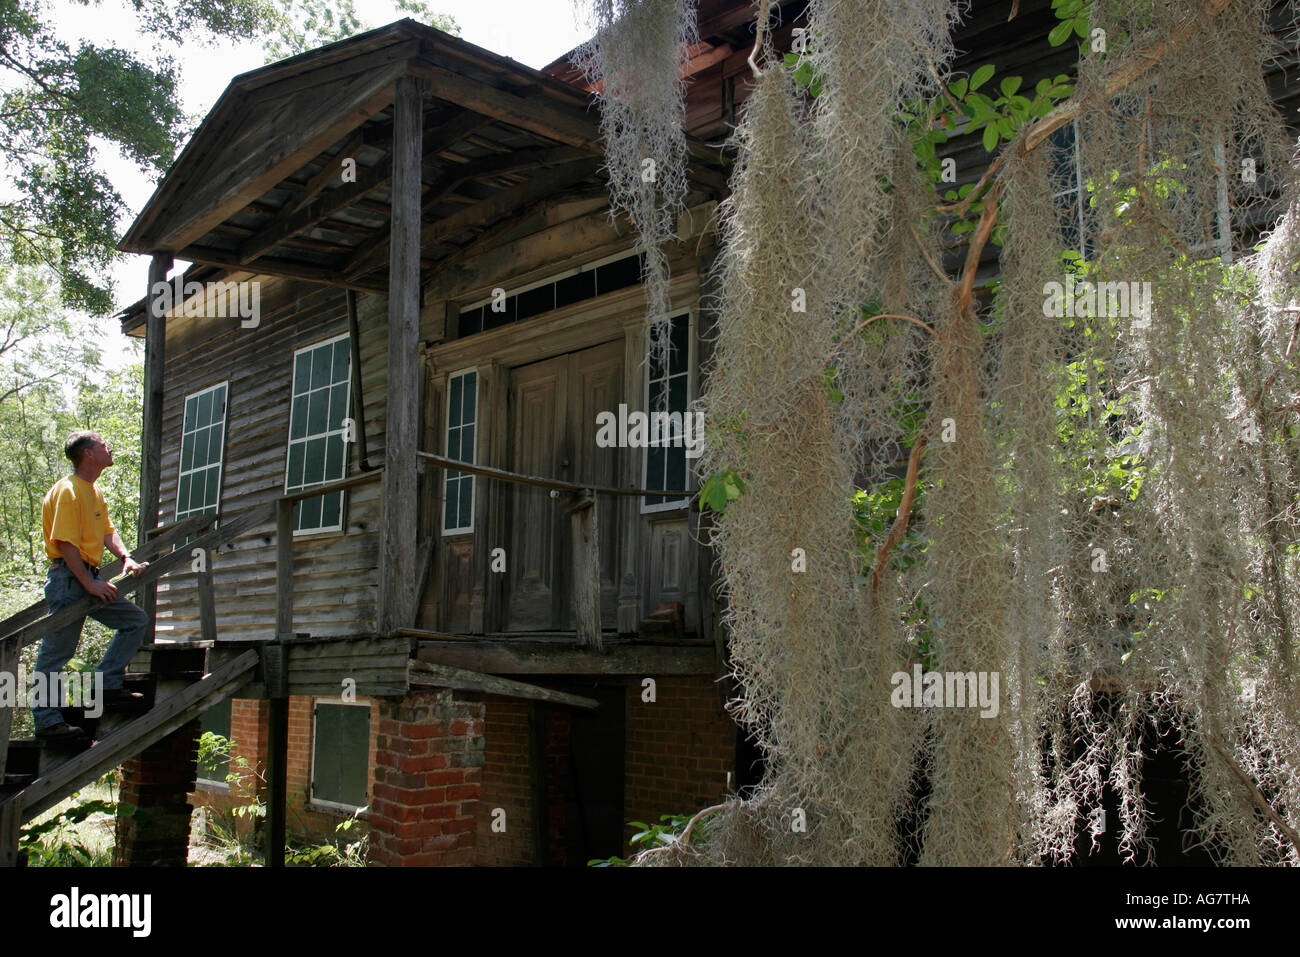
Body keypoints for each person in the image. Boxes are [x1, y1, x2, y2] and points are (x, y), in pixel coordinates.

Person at [32, 431, 150, 743]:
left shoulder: (93, 492)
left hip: (87, 578)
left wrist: (126, 558)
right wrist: (89, 583)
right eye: (102, 445)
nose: (108, 447)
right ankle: (47, 721)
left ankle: (106, 684)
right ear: (88, 454)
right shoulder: (68, 490)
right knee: (57, 653)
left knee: (134, 621)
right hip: (69, 580)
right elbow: (65, 543)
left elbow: (108, 531)